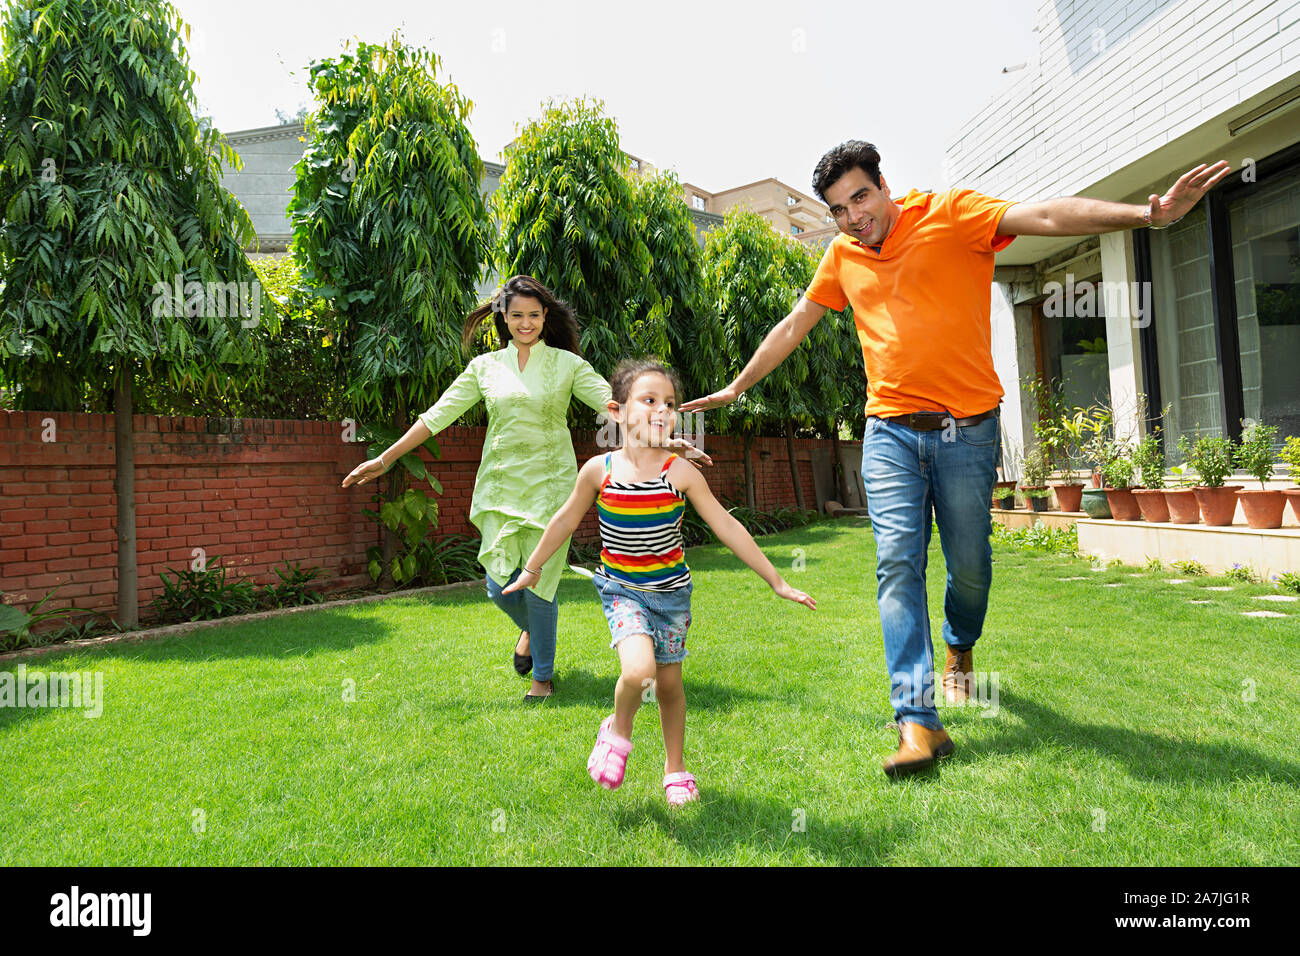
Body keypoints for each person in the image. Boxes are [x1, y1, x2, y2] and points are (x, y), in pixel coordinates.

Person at [682, 141, 1230, 777]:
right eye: (838, 209)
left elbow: (1045, 218)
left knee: (970, 565)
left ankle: (960, 645)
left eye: (860, 197)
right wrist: (736, 387)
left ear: (884, 184)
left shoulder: (951, 214)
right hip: (888, 432)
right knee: (896, 565)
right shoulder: (841, 257)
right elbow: (795, 323)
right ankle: (917, 722)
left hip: (968, 431)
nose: (854, 217)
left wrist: (1147, 215)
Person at [342, 276, 708, 702]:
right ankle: (531, 632)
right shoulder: (484, 368)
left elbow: (617, 407)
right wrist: (384, 459)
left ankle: (543, 679)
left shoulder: (567, 365)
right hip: (499, 486)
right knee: (498, 586)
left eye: (534, 315)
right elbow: (436, 417)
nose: (526, 323)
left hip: (551, 488)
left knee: (539, 586)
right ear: (504, 318)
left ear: (545, 317)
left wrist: (667, 441)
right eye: (517, 315)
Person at [503, 359, 816, 804]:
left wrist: (776, 580)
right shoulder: (599, 470)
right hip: (621, 591)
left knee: (669, 686)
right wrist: (533, 567)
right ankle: (617, 733)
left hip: (671, 596)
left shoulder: (681, 472)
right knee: (639, 670)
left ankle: (676, 768)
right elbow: (564, 520)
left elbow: (727, 527)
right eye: (649, 400)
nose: (662, 410)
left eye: (669, 403)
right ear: (616, 411)